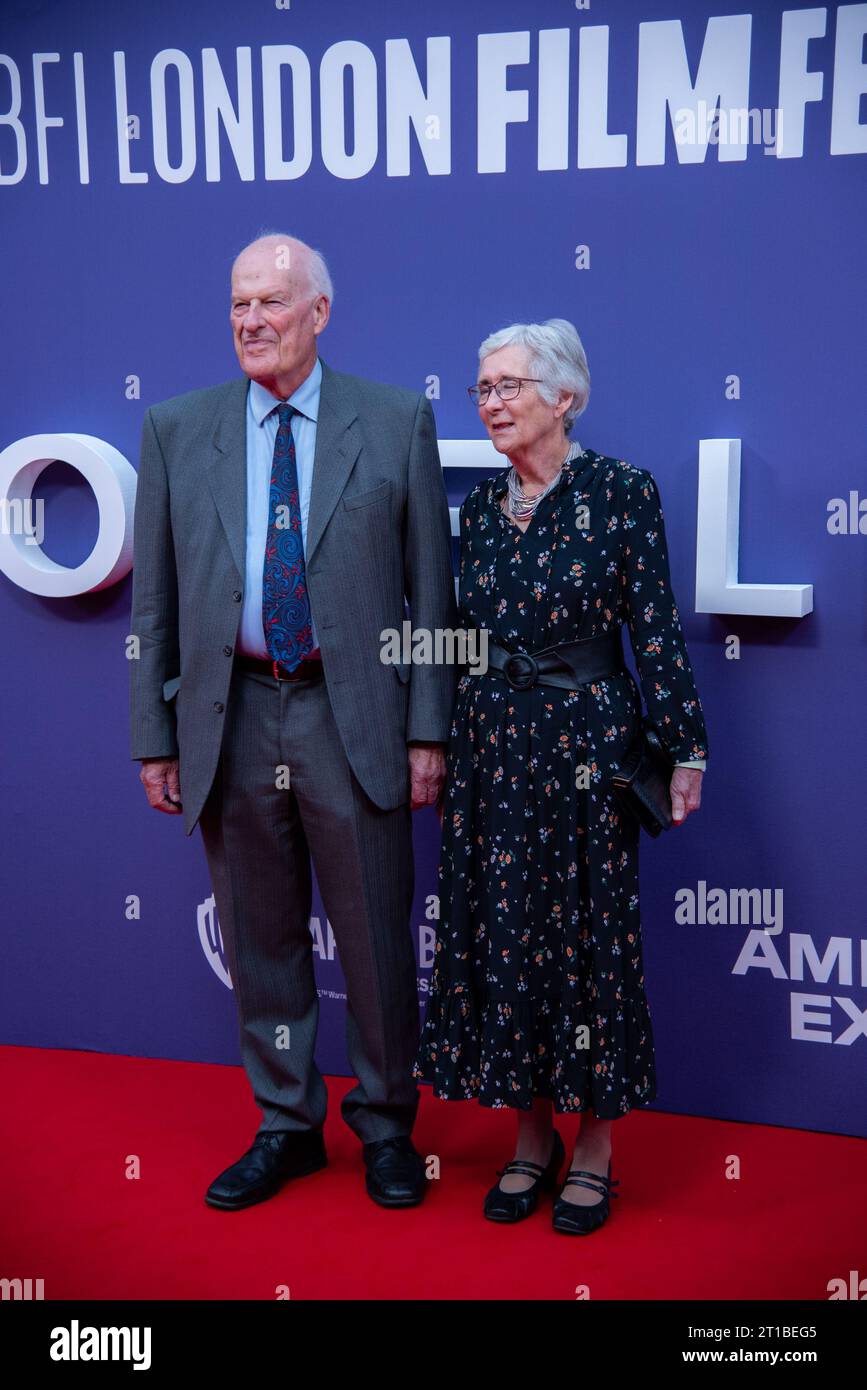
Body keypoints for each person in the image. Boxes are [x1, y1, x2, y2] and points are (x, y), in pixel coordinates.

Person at [129, 232, 457, 1211]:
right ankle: (286, 1124)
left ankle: (389, 1126)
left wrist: (428, 728)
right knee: (262, 940)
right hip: (229, 717)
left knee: (375, 939)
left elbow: (432, 602)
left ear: (320, 312)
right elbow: (154, 603)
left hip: (349, 714)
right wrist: (156, 733)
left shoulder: (396, 421)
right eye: (237, 305)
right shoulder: (178, 429)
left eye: (271, 303)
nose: (251, 323)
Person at [413, 318, 708, 1234]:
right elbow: (466, 637)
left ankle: (593, 1148)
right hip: (492, 748)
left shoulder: (621, 493)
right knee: (503, 942)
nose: (490, 403)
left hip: (585, 750)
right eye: (482, 388)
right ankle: (528, 1136)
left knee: (584, 941)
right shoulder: (480, 509)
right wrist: (418, 706)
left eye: (506, 386)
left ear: (561, 398)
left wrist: (684, 745)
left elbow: (652, 630)